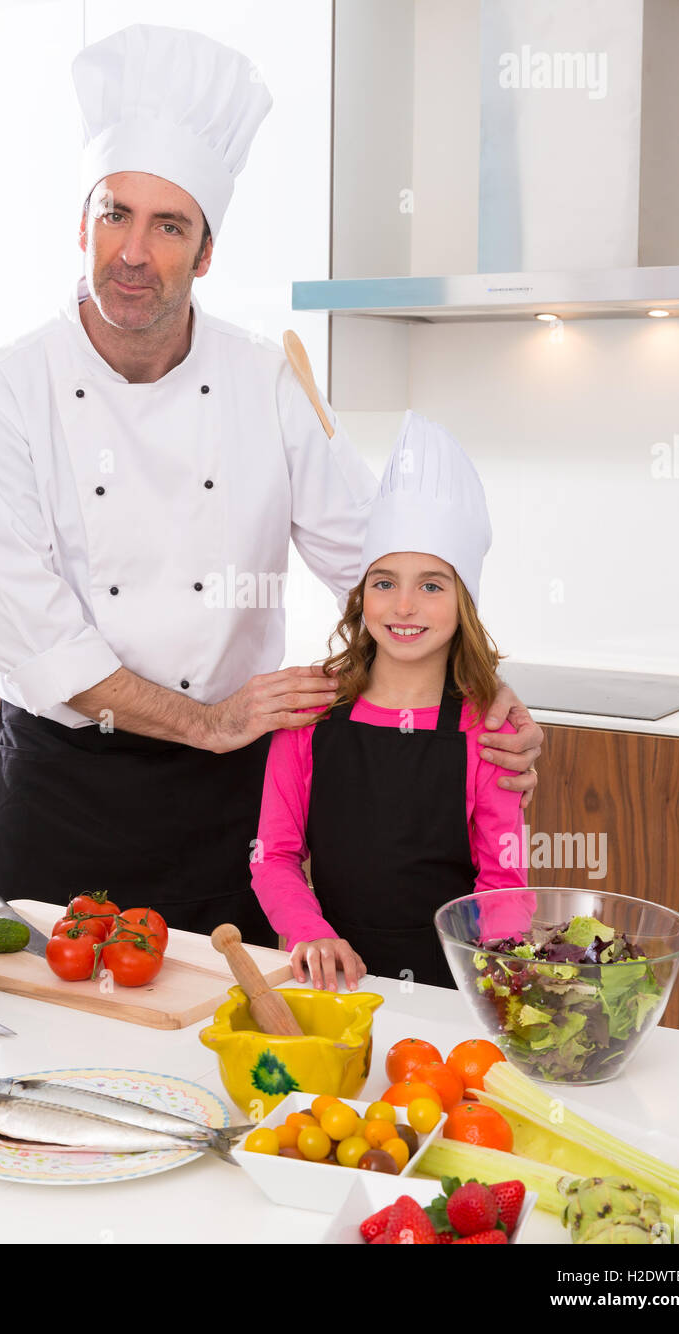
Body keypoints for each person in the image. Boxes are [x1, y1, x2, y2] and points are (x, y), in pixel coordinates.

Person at [0, 24, 542, 945]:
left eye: (169, 226)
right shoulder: (4, 394)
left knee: (228, 1016)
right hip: (67, 781)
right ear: (81, 225)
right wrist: (210, 720)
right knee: (53, 1014)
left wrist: (489, 700)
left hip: (226, 793)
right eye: (114, 214)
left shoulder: (266, 382)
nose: (133, 251)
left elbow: (375, 560)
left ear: (205, 253)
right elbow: (37, 640)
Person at [250, 412, 527, 987]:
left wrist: (491, 978)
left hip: (454, 980)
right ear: (361, 596)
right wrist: (309, 932)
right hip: (333, 977)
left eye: (431, 585)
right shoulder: (309, 716)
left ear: (464, 604)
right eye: (384, 582)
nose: (403, 606)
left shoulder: (488, 730)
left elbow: (503, 884)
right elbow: (273, 856)